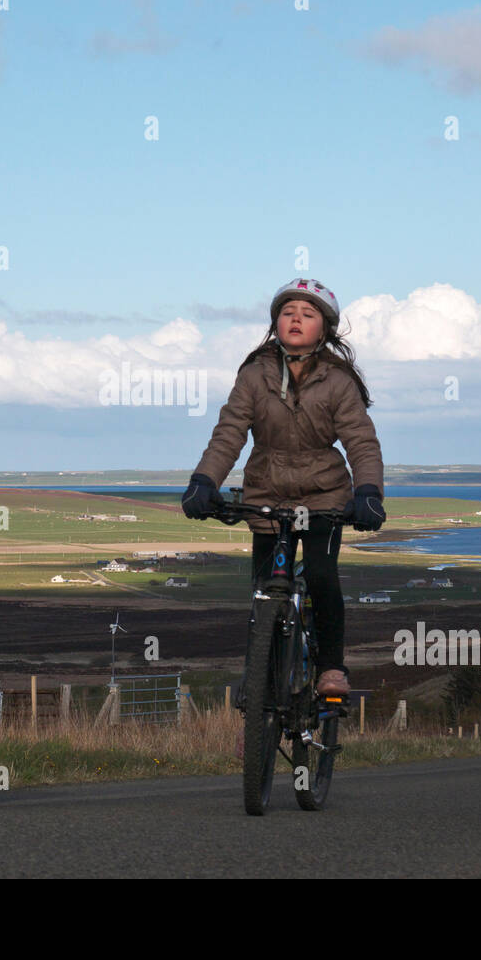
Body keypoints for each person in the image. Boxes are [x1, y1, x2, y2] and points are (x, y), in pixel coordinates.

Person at [181, 277, 385, 698]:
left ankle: (331, 669)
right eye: (288, 312)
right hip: (266, 497)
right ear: (275, 322)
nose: (296, 318)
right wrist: (204, 481)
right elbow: (229, 434)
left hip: (325, 497)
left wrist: (368, 493)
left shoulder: (338, 382)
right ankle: (261, 691)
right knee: (262, 594)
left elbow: (361, 442)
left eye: (308, 314)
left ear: (324, 329)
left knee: (323, 578)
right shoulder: (255, 376)